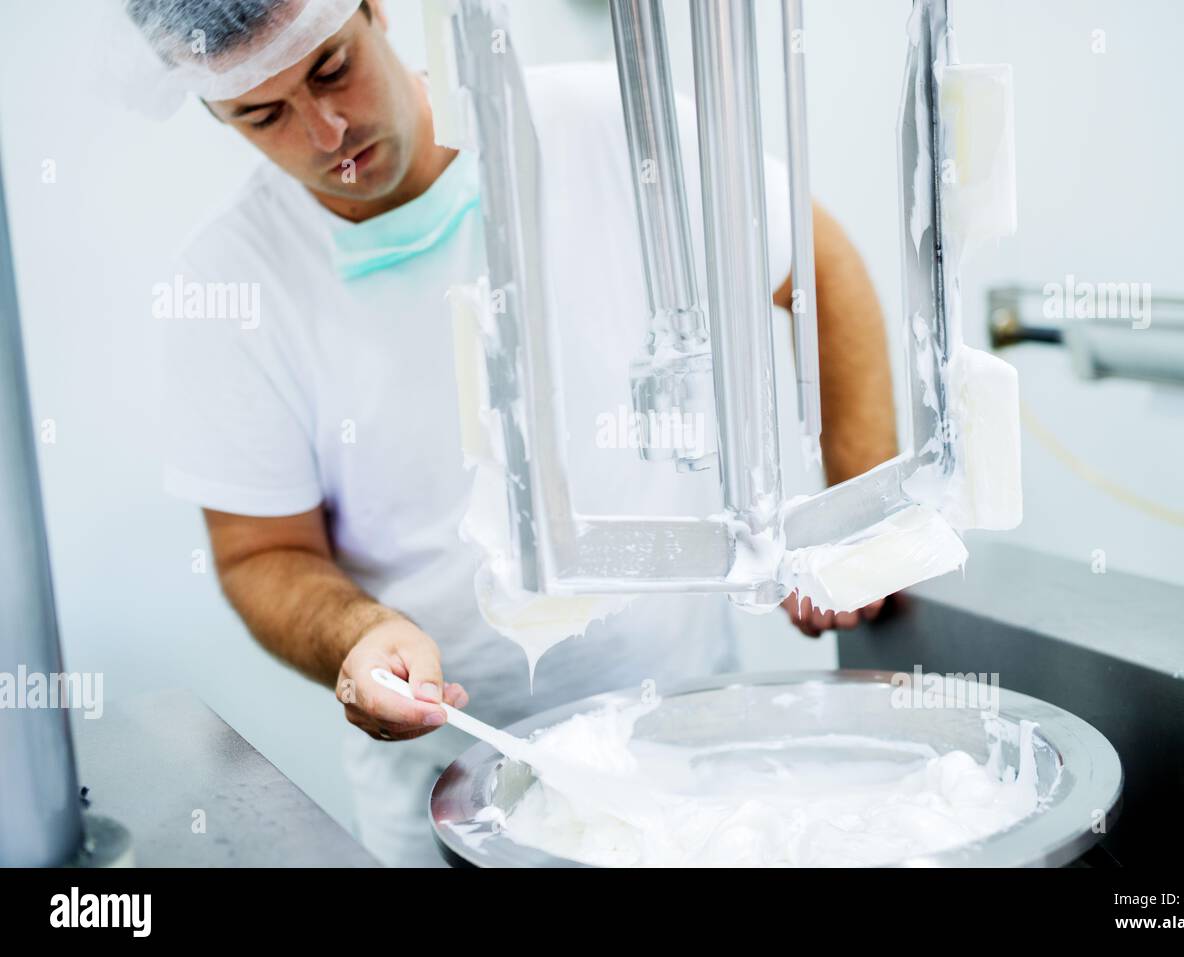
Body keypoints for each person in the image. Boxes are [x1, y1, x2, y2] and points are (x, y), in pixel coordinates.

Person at [131, 0, 897, 865]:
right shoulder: (229, 287)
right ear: (209, 109)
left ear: (375, 11)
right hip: (451, 790)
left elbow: (815, 263)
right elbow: (259, 552)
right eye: (262, 114)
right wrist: (356, 636)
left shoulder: (607, 127)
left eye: (332, 68)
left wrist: (856, 512)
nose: (326, 128)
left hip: (695, 740)